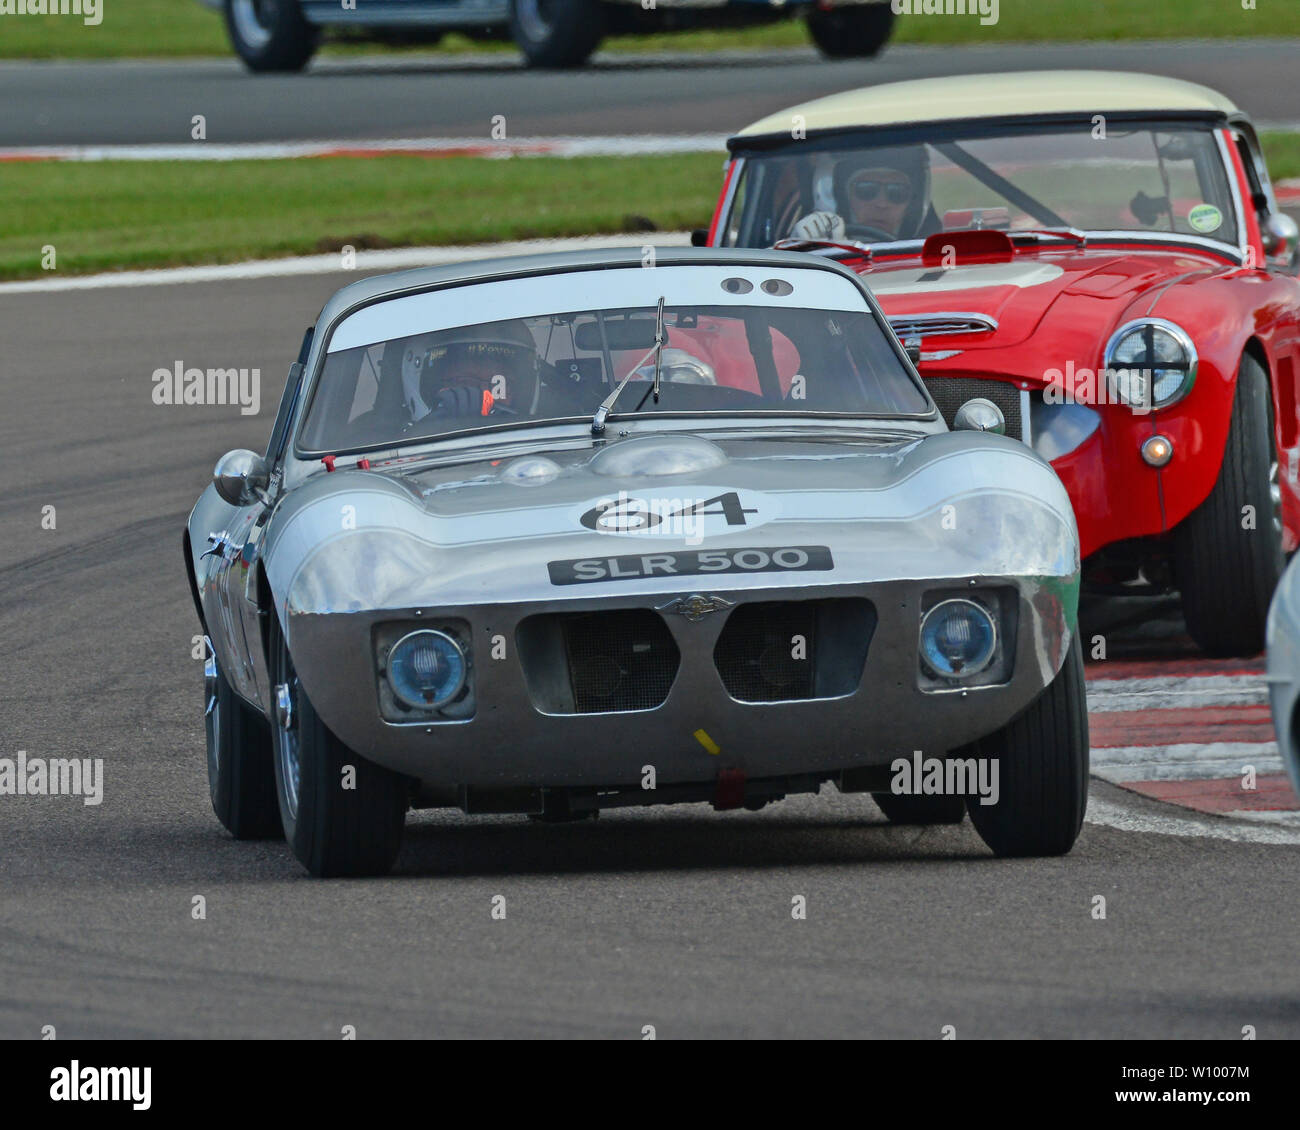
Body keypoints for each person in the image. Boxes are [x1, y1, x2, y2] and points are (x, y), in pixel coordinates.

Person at [789, 145, 935, 244]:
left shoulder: (933, 262)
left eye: (897, 193)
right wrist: (802, 249)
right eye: (866, 190)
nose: (881, 204)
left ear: (912, 203)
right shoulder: (819, 257)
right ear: (838, 196)